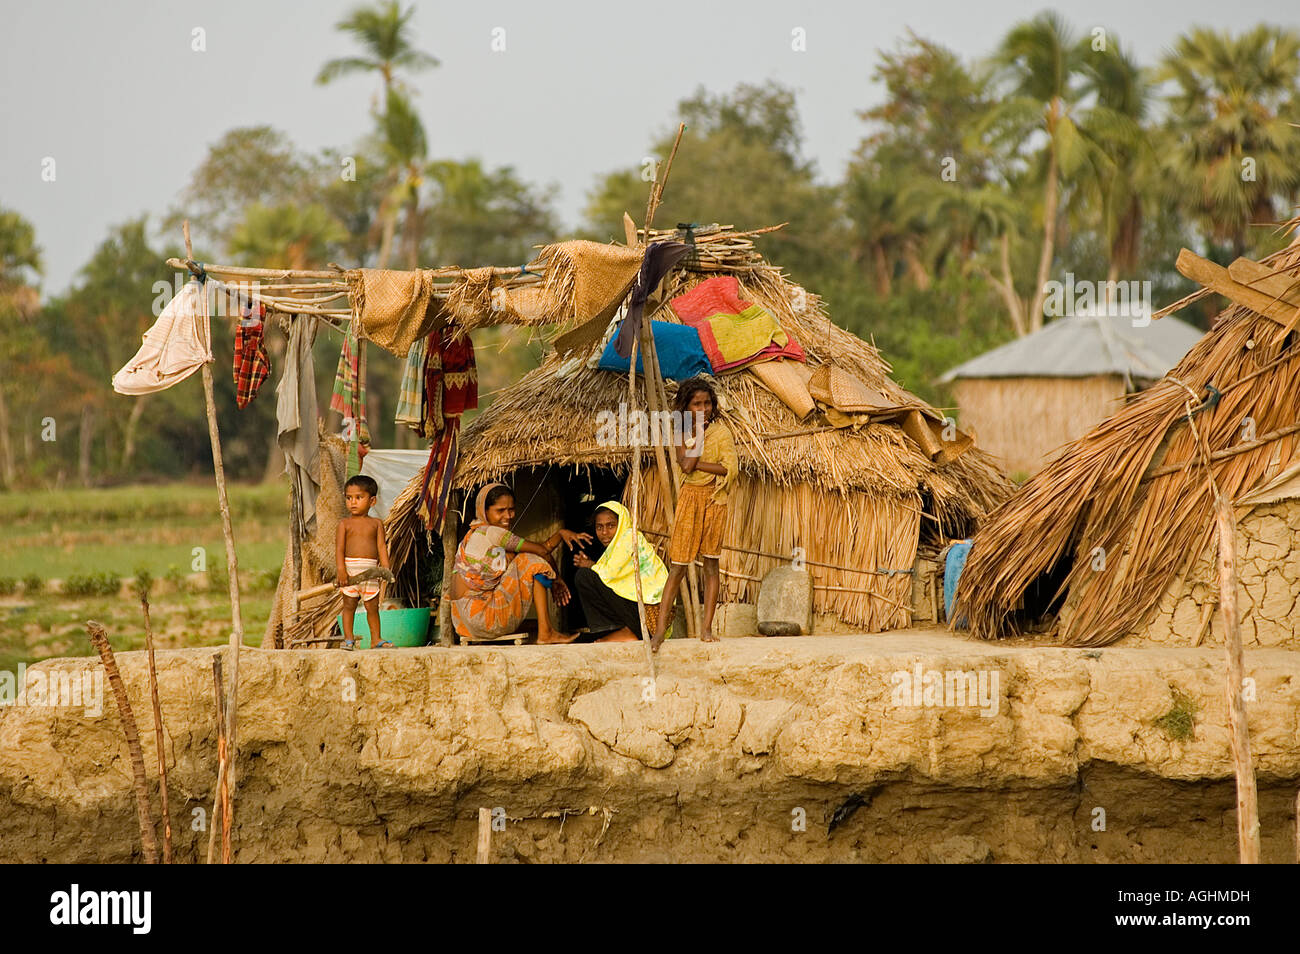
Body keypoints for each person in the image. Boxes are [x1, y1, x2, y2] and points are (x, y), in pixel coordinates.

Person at [651, 376, 736, 651]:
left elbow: (729, 469)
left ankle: (707, 628)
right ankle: (659, 631)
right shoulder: (681, 432)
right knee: (677, 566)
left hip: (714, 499)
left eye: (707, 403)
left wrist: (701, 462)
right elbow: (686, 467)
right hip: (690, 499)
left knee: (711, 565)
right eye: (697, 404)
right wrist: (699, 436)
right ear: (686, 408)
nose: (703, 408)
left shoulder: (722, 433)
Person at [450, 483, 591, 644]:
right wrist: (557, 579)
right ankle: (546, 632)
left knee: (522, 558)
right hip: (486, 619)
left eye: (511, 509)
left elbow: (543, 548)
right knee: (530, 560)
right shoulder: (494, 533)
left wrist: (560, 533)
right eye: (500, 511)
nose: (508, 516)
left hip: (468, 626)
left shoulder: (473, 534)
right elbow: (542, 552)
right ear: (485, 511)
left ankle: (545, 630)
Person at [572, 502, 668, 643]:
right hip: (642, 617)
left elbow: (610, 575)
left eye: (611, 526)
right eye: (600, 527)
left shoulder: (629, 539)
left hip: (649, 618)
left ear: (622, 523)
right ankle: (622, 631)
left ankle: (627, 632)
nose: (604, 532)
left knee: (584, 577)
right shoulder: (616, 547)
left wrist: (589, 565)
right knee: (589, 576)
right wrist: (592, 566)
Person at [336, 474, 392, 650]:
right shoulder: (344, 524)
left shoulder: (376, 524)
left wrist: (385, 568)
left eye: (359, 498)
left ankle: (376, 639)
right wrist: (341, 570)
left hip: (371, 573)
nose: (353, 502)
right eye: (349, 498)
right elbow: (339, 549)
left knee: (372, 607)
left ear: (372, 501)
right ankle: (348, 639)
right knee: (349, 606)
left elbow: (381, 547)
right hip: (350, 571)